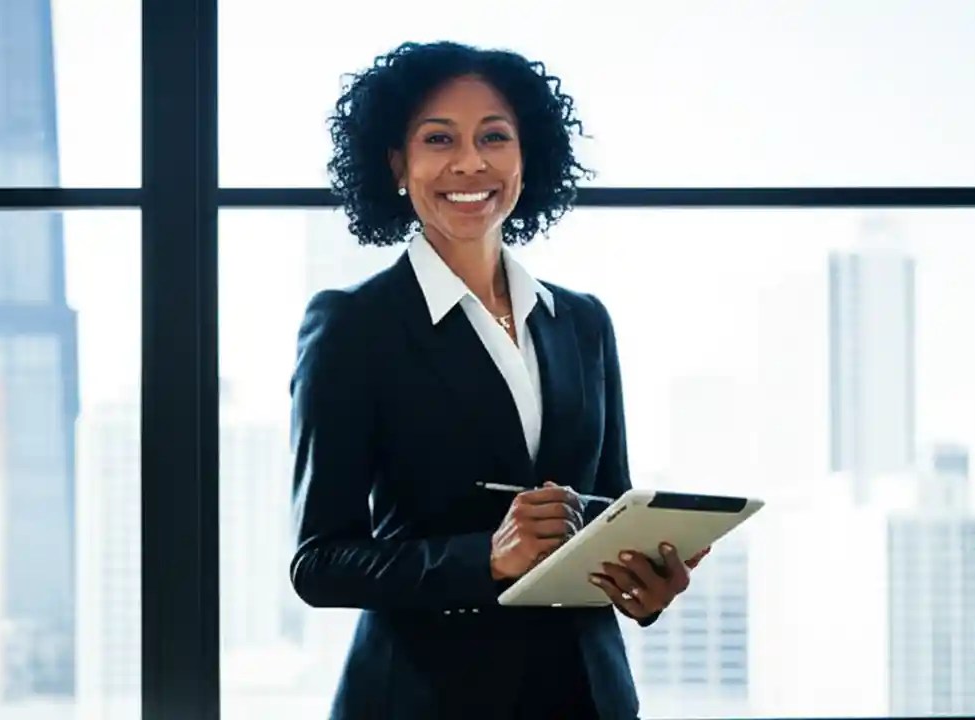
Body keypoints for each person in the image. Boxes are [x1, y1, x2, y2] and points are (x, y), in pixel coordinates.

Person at [288, 41, 708, 720]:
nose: (470, 162)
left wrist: (642, 581)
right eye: (438, 139)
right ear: (397, 164)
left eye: (494, 137)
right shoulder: (353, 326)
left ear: (525, 155)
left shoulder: (581, 322)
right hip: (425, 698)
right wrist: (485, 557)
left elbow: (602, 509)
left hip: (586, 695)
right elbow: (320, 563)